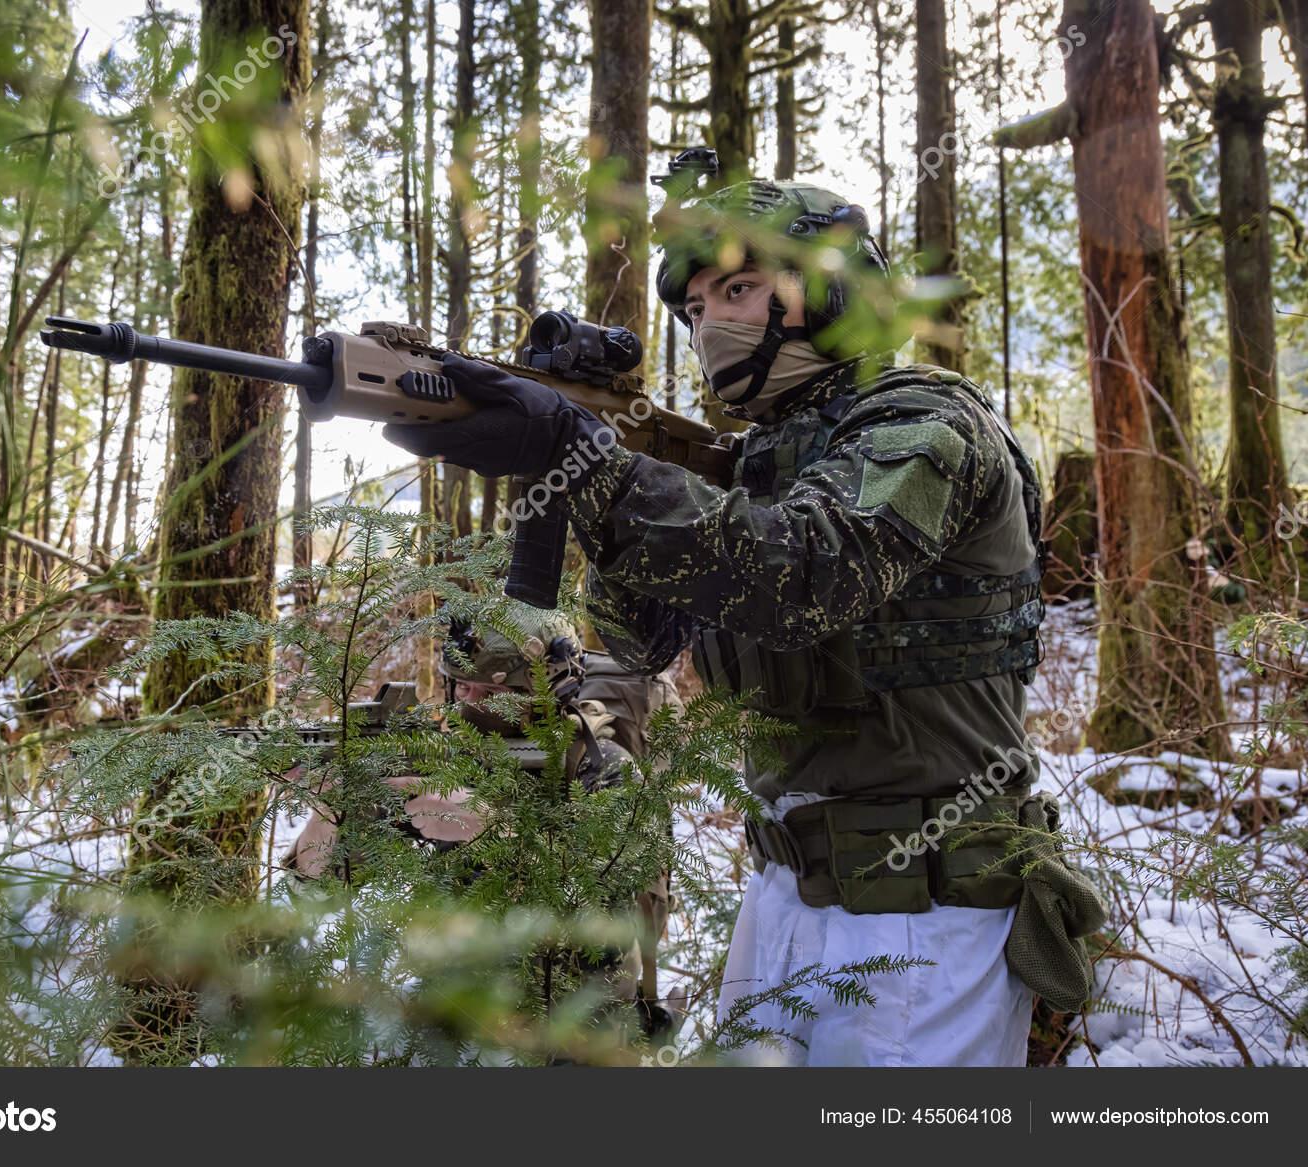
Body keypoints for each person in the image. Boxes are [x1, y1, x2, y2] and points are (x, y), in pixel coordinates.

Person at [382, 155, 1088, 1066]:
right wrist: (582, 475)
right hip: (786, 893)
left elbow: (806, 576)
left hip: (926, 915)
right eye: (695, 307)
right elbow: (641, 640)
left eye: (741, 288)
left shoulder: (927, 423)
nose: (710, 320)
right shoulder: (756, 465)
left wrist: (595, 461)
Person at [282, 607, 680, 1039]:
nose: (466, 704)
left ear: (543, 693)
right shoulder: (436, 759)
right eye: (460, 686)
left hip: (576, 1025)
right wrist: (329, 809)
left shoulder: (604, 769)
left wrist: (492, 827)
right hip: (458, 1012)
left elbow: (603, 912)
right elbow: (315, 887)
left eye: (488, 692)